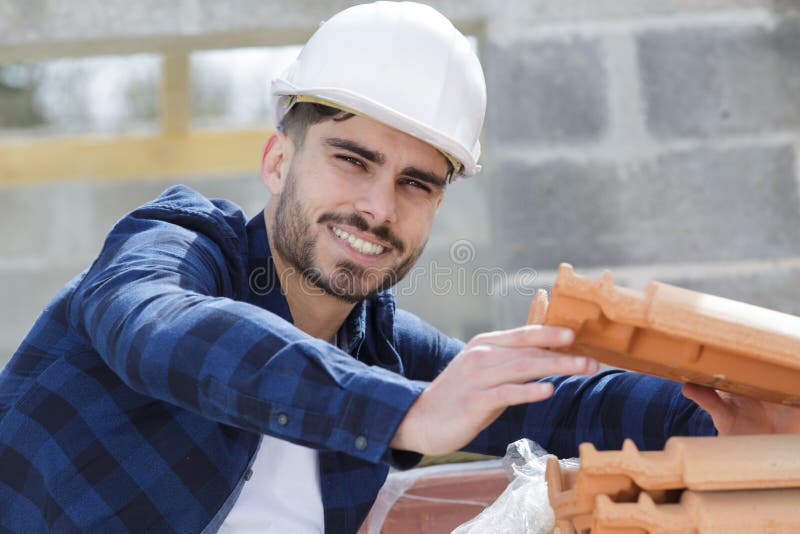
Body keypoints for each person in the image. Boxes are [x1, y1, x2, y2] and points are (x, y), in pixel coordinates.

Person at [0, 2, 797, 533]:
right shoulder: (169, 252)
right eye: (352, 160)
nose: (379, 209)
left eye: (417, 183)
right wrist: (405, 415)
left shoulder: (379, 348)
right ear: (279, 160)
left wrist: (720, 420)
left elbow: (559, 404)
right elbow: (165, 334)